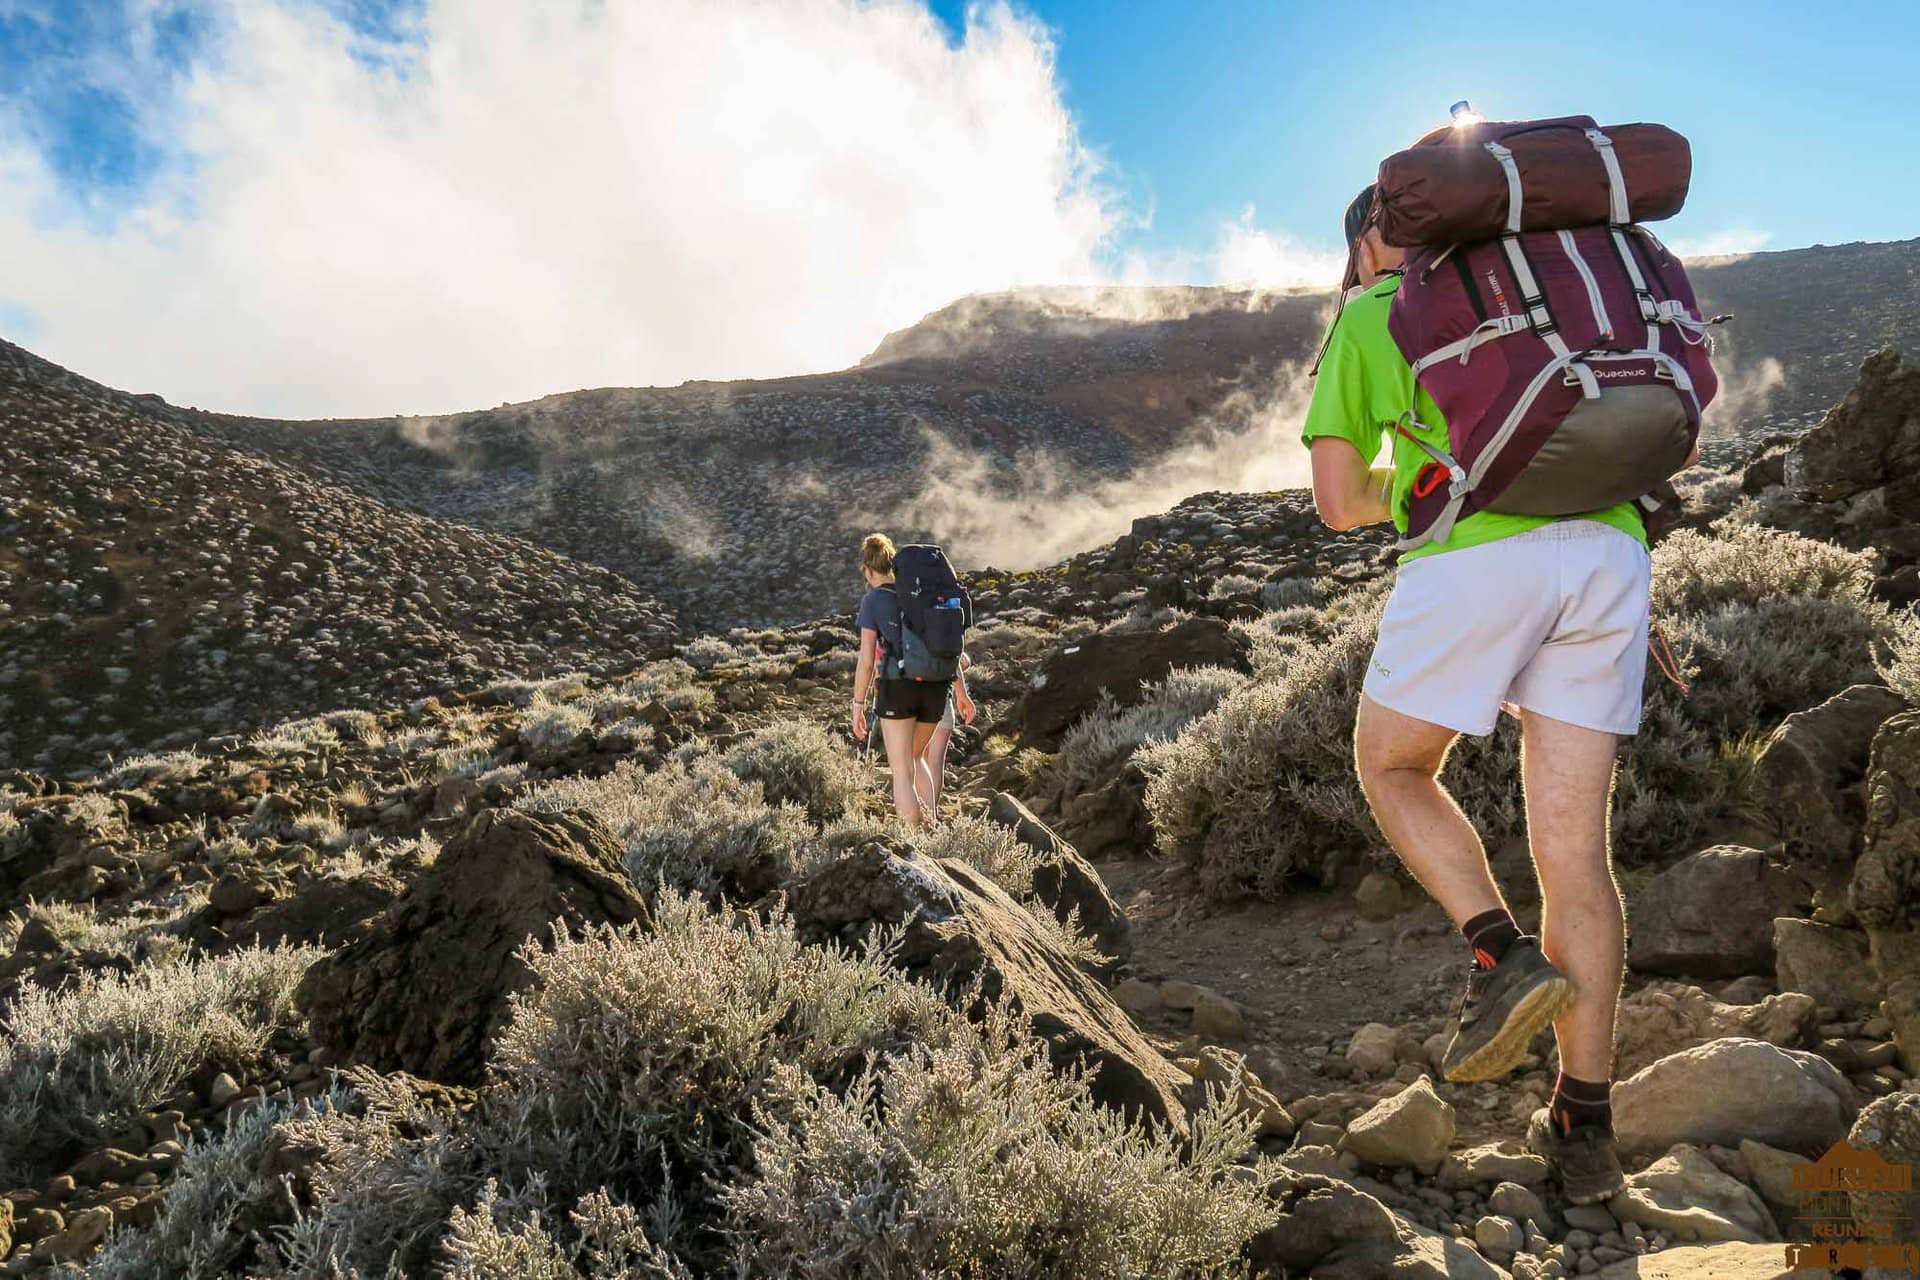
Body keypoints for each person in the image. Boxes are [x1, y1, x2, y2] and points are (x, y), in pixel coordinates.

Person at [1302, 182, 1695, 1205]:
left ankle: (1498, 953)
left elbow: (1339, 500)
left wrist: (1419, 482)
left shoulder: (1377, 309)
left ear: (1370, 242)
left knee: (1392, 766)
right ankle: (1584, 1129)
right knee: (1577, 858)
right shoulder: (1561, 290)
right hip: (1613, 553)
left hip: (1479, 556)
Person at [850, 533, 973, 826]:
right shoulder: (919, 595)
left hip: (897, 687)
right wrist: (961, 693)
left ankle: (914, 838)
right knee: (917, 758)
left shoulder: (873, 600)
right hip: (936, 688)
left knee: (902, 772)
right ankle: (932, 826)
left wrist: (858, 704)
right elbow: (944, 647)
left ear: (868, 569)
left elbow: (866, 661)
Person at [923, 651, 978, 813]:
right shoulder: (946, 634)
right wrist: (962, 695)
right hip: (941, 699)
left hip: (910, 696)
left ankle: (916, 811)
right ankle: (930, 814)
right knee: (935, 762)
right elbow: (960, 660)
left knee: (916, 759)